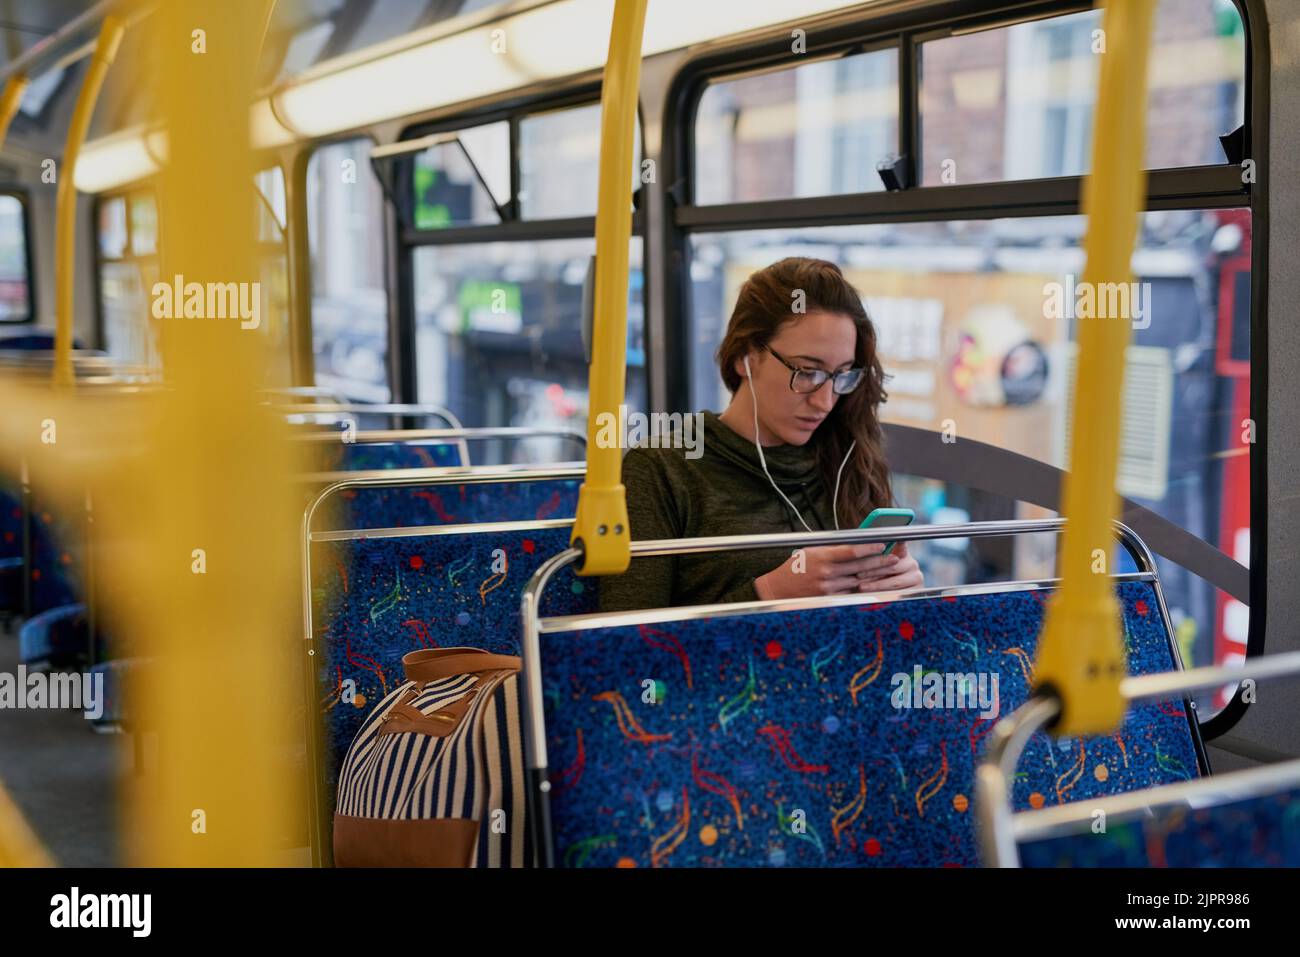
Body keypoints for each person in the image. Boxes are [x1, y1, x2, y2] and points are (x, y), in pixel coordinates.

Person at [599, 257, 923, 612]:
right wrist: (767, 594)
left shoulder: (849, 455)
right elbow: (626, 646)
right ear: (745, 356)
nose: (825, 401)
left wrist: (901, 591)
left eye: (841, 375)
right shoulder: (663, 469)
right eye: (807, 372)